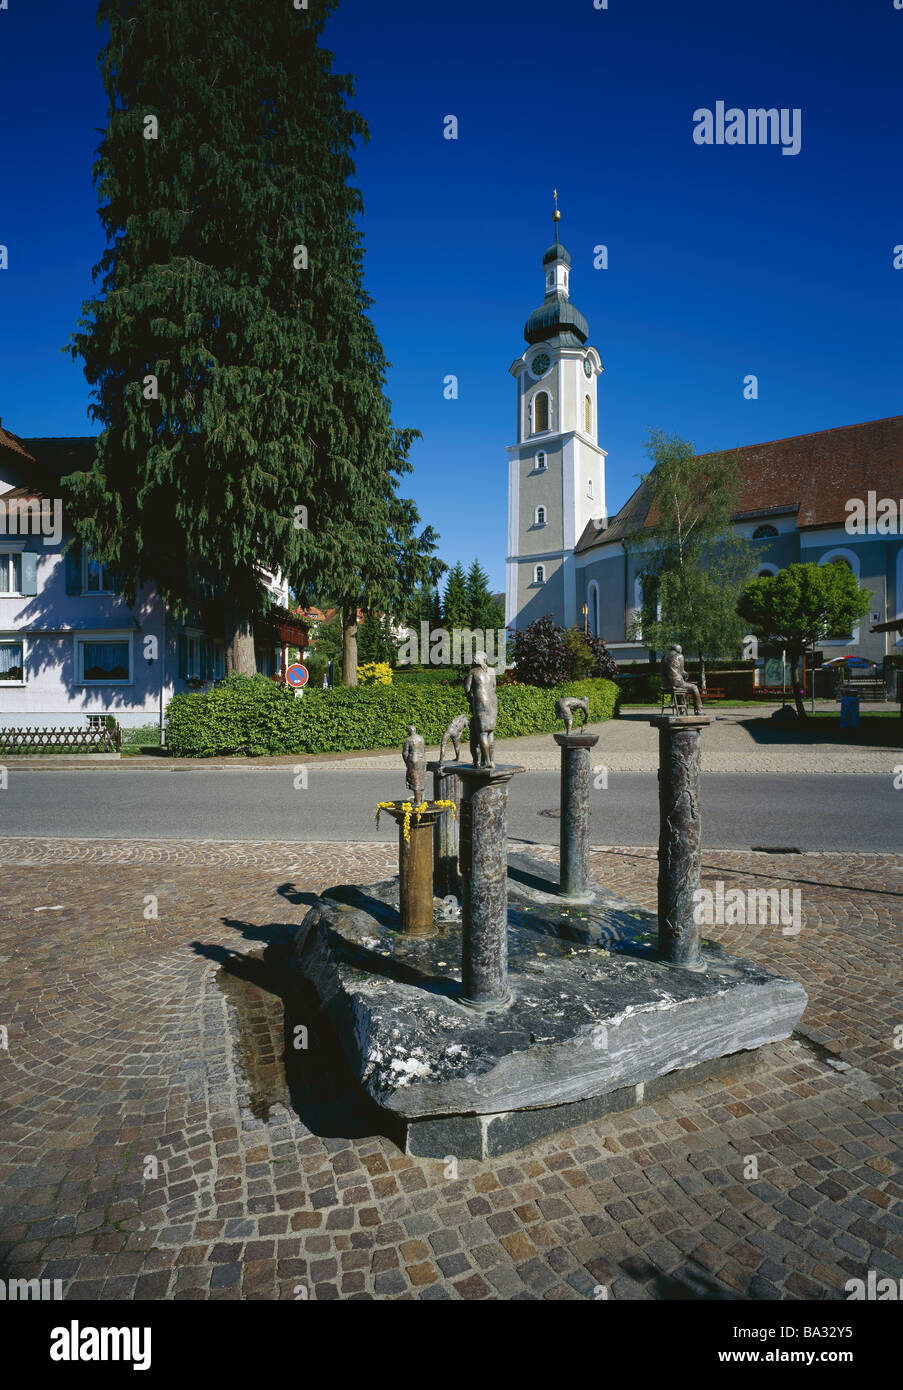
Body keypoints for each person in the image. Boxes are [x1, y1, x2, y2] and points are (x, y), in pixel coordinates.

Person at [464, 652, 498, 767]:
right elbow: (494, 686)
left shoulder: (473, 672)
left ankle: (486, 761)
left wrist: (469, 699)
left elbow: (467, 689)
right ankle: (491, 760)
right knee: (491, 732)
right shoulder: (492, 671)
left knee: (482, 733)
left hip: (480, 702)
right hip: (493, 702)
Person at [660, 644, 702, 714]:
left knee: (678, 688)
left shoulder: (664, 657)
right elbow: (682, 671)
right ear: (679, 650)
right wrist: (686, 674)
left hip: (666, 684)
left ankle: (681, 710)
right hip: (676, 682)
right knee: (694, 688)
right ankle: (698, 710)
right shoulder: (679, 656)